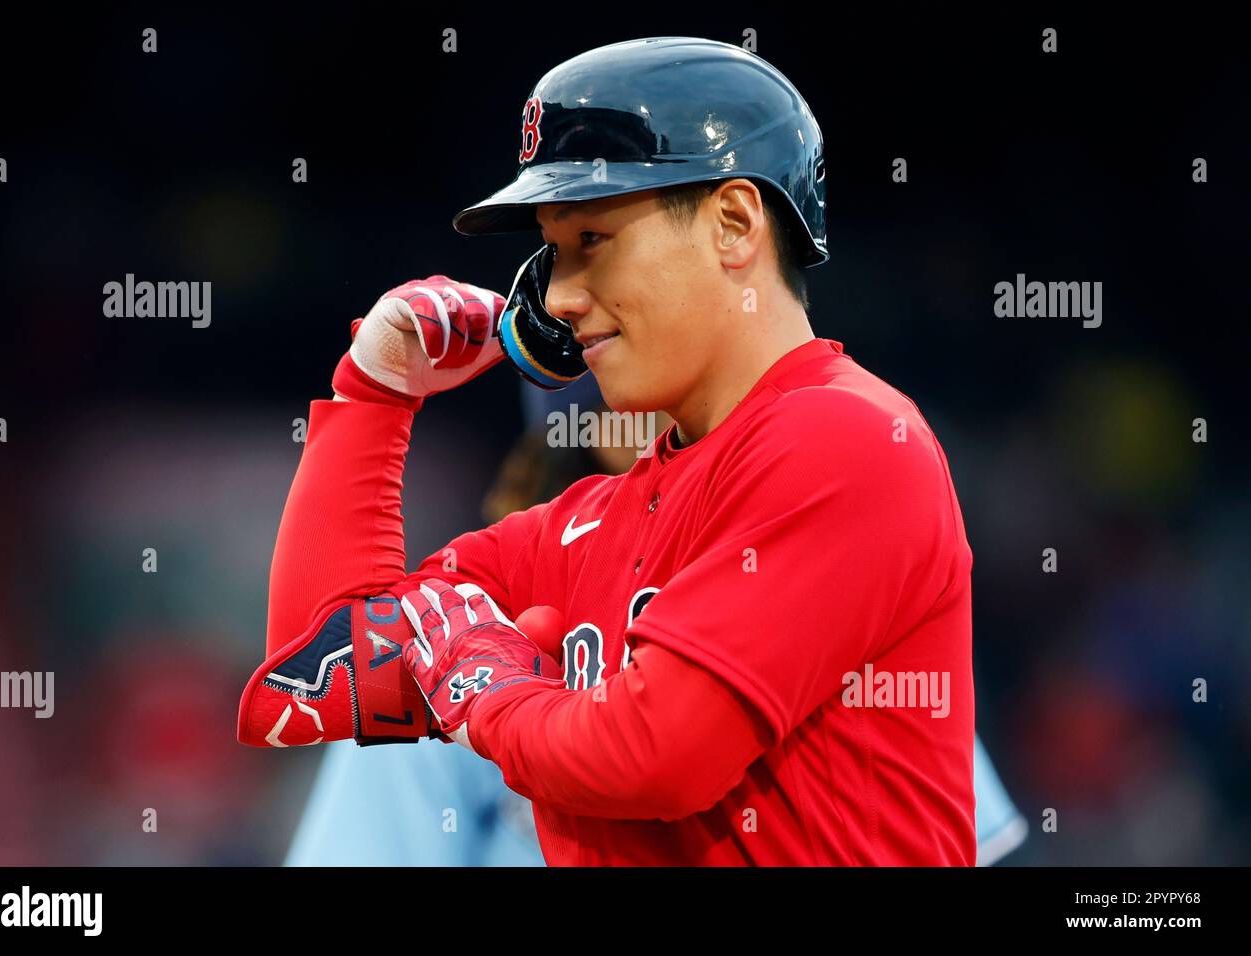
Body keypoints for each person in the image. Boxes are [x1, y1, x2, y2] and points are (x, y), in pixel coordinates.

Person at [241, 37, 977, 865]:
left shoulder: (851, 439)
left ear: (734, 224)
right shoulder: (590, 524)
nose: (556, 295)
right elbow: (312, 677)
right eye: (552, 251)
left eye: (592, 239)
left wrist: (487, 689)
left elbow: (656, 757)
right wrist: (375, 393)